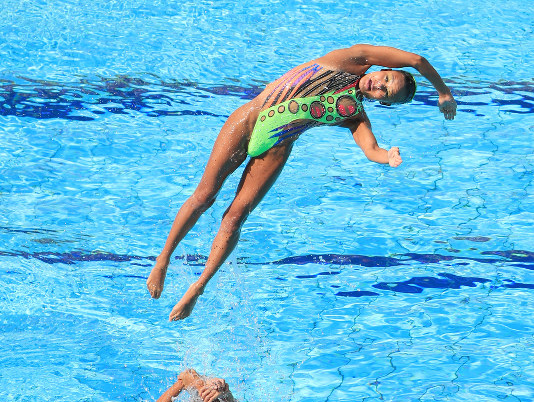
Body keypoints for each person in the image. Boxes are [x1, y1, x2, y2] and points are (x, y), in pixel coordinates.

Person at [146, 44, 457, 321]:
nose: (379, 85)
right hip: (248, 120)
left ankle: (198, 287)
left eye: (385, 92)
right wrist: (443, 92)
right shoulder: (350, 60)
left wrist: (387, 156)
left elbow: (370, 149)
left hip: (277, 148)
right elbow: (416, 60)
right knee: (205, 196)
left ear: (383, 103)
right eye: (386, 79)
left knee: (236, 216)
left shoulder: (355, 116)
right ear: (385, 68)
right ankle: (163, 260)